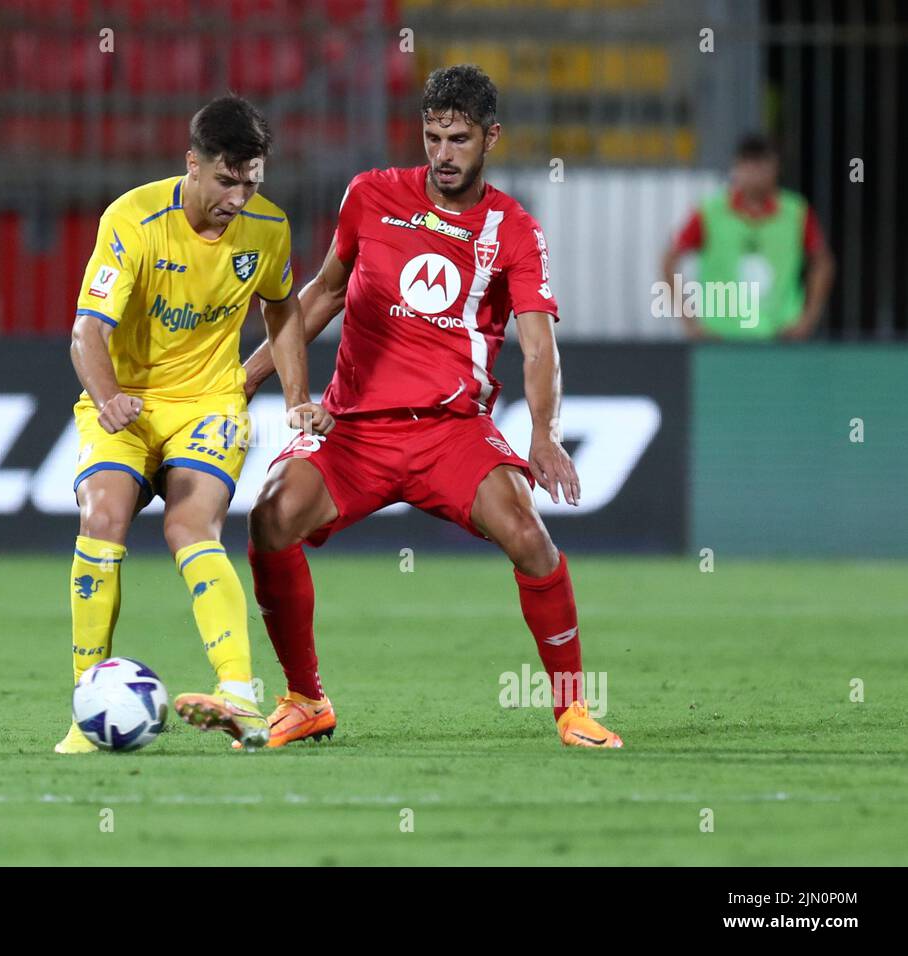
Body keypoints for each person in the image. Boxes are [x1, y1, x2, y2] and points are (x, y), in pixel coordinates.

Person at [240, 65, 622, 749]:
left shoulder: (514, 230)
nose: (443, 154)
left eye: (459, 139)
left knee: (529, 536)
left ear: (491, 138)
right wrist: (247, 378)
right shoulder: (370, 195)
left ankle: (572, 709)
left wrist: (544, 432)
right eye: (433, 136)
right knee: (271, 515)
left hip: (452, 432)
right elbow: (321, 295)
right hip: (353, 428)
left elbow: (540, 346)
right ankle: (306, 698)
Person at [55, 95, 333, 754]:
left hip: (212, 403)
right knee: (102, 520)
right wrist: (109, 395)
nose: (239, 196)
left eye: (251, 181)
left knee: (189, 525)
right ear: (193, 164)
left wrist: (297, 397)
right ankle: (85, 706)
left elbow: (283, 312)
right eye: (226, 180)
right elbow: (86, 330)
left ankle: (238, 692)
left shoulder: (268, 229)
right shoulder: (133, 219)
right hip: (126, 402)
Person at [661, 134, 835, 340]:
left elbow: (823, 263)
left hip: (780, 335)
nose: (755, 174)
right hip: (721, 336)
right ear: (736, 167)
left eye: (762, 165)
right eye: (749, 165)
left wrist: (807, 319)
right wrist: (690, 322)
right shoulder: (710, 212)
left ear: (775, 168)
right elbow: (670, 259)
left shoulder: (796, 212)